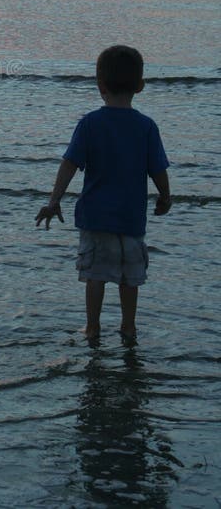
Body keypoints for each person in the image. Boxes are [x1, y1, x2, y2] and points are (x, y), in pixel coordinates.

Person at [35, 45, 171, 343]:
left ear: (100, 87)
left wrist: (53, 200)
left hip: (95, 218)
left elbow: (70, 164)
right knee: (129, 278)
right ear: (140, 86)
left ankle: (93, 326)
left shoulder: (90, 124)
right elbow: (157, 169)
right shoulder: (147, 127)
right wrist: (165, 196)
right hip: (130, 219)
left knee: (95, 275)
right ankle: (128, 326)